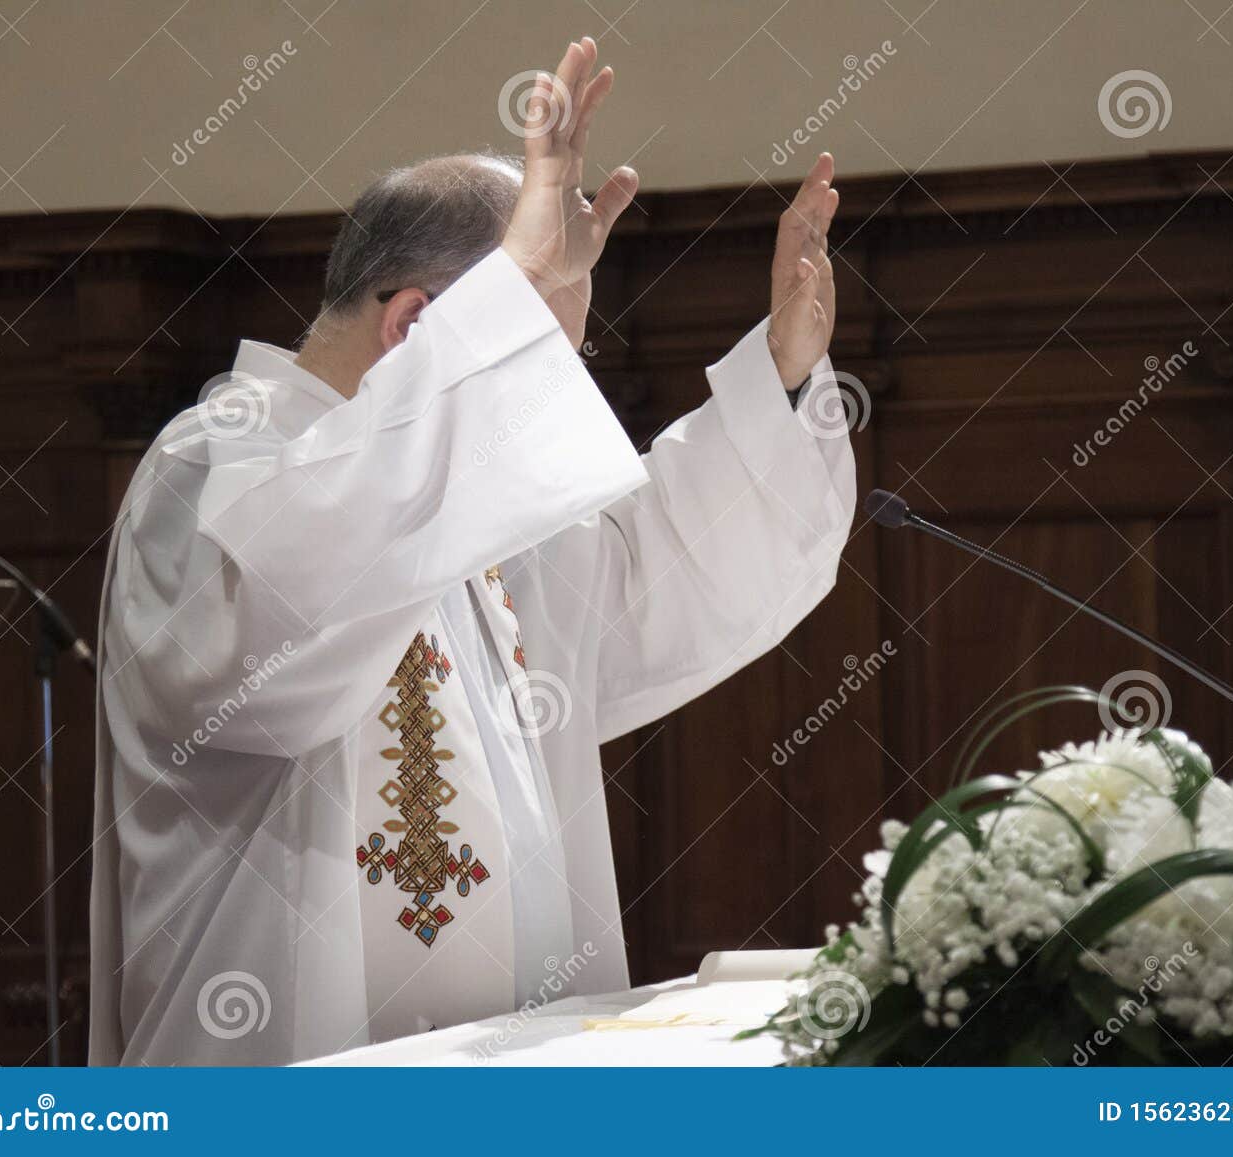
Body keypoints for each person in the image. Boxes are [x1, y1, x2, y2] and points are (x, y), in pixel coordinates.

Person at [88, 36, 854, 1064]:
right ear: (416, 330)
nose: (562, 400)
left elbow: (646, 570)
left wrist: (779, 381)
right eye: (536, 360)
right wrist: (517, 285)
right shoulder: (213, 469)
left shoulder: (457, 493)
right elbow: (277, 647)